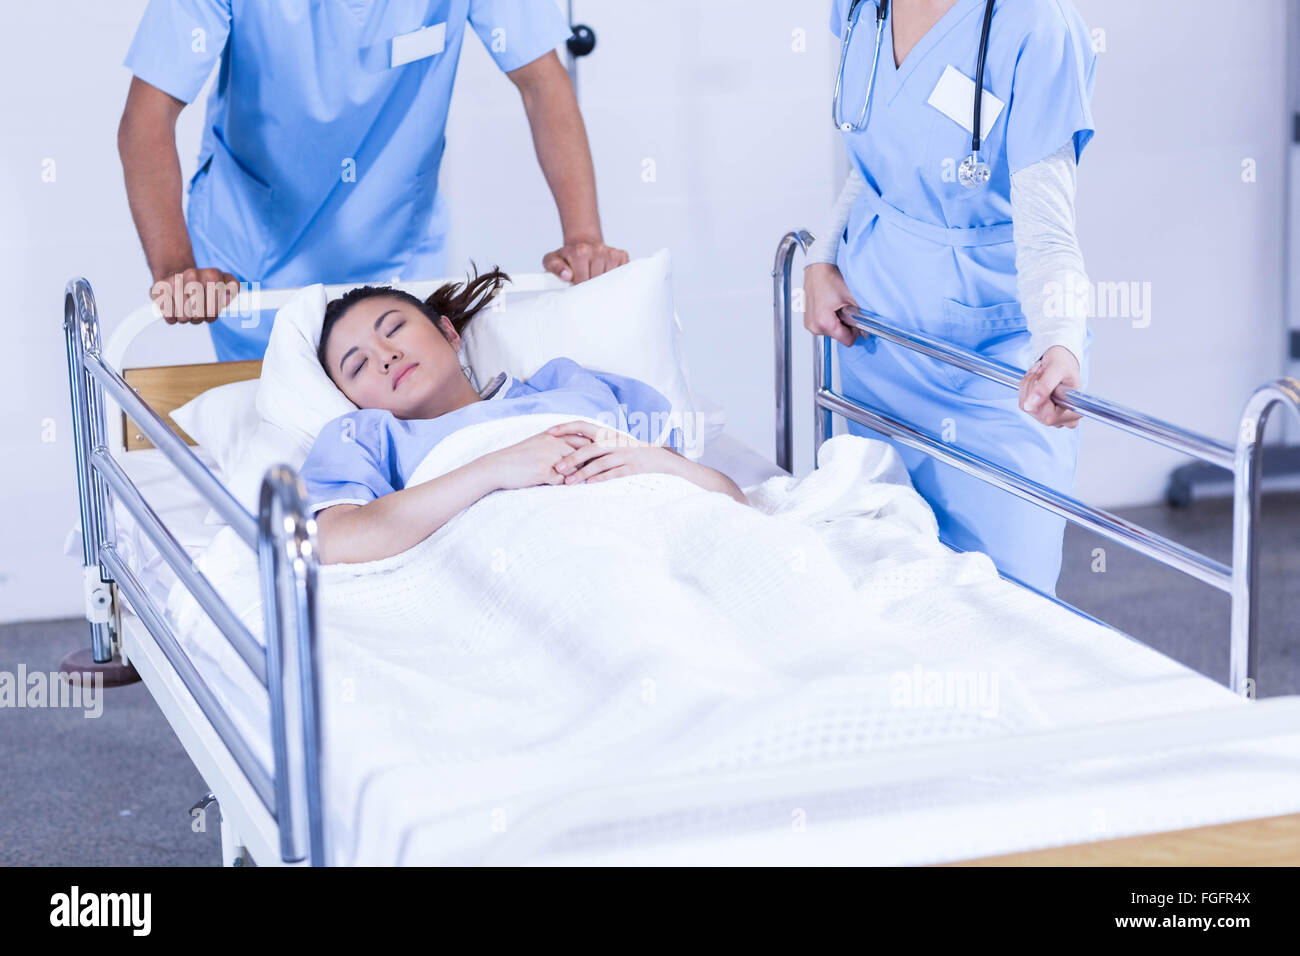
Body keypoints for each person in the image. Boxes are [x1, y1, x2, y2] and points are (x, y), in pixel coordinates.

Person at [118, 0, 628, 361]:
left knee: (401, 431)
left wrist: (583, 237)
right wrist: (178, 269)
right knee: (287, 441)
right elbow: (147, 118)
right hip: (254, 263)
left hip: (397, 253)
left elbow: (542, 82)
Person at [803, 0, 1097, 594]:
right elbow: (878, 148)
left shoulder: (1038, 25)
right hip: (876, 339)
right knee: (875, 586)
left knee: (1008, 601)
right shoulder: (860, 6)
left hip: (993, 366)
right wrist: (823, 254)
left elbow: (1048, 227)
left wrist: (1060, 341)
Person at [300, 272, 748, 564]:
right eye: (357, 366)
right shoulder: (366, 437)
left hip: (656, 544)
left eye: (395, 329)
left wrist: (658, 463)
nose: (386, 356)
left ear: (448, 332)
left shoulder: (570, 385)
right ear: (351, 399)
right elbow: (334, 542)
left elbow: (730, 501)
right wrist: (494, 469)